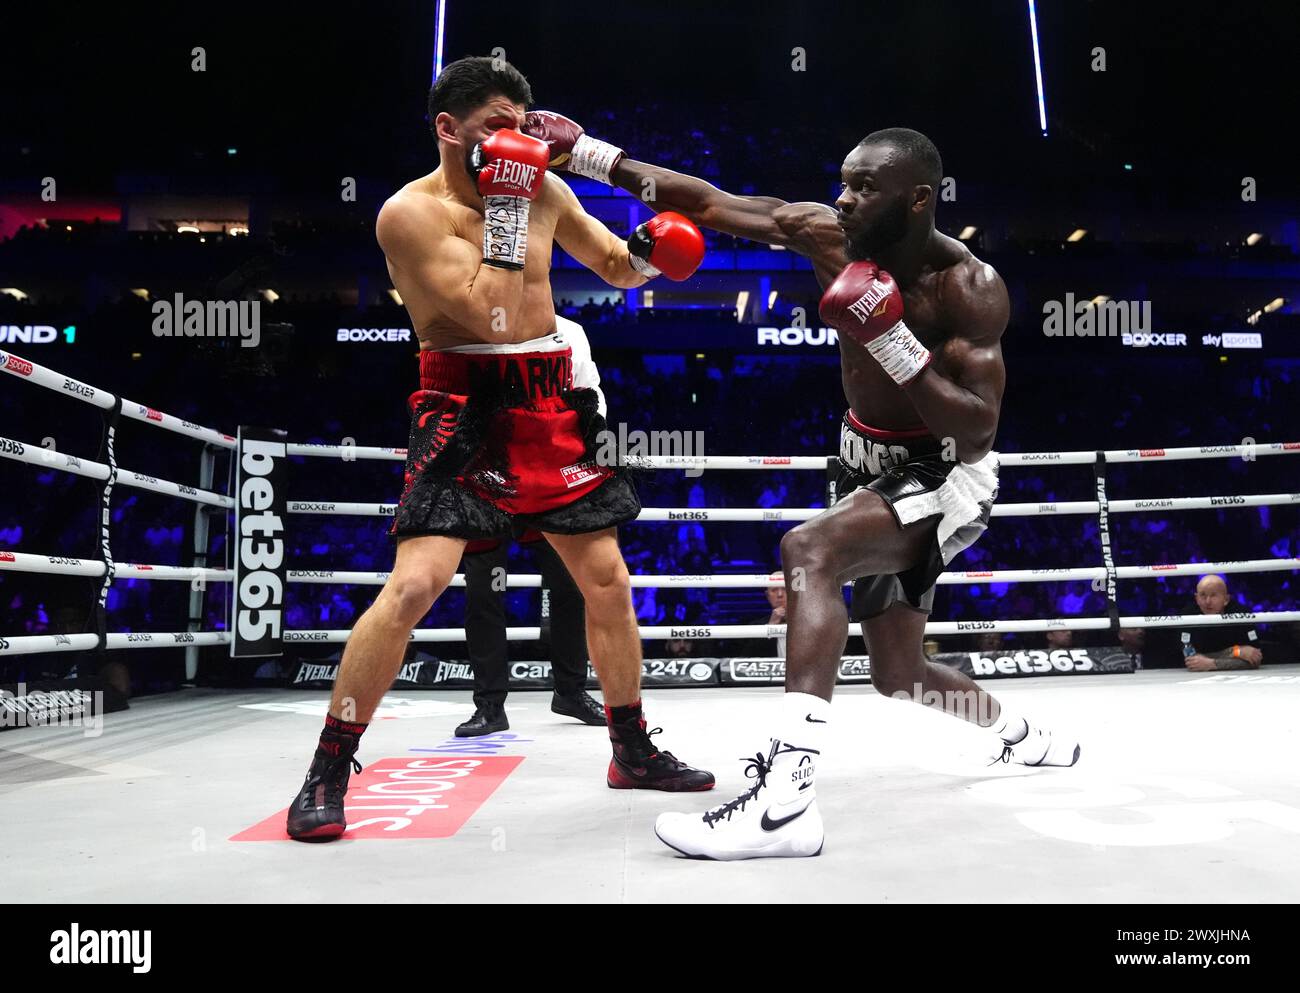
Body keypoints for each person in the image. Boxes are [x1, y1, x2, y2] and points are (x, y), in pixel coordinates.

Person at [525, 112, 1079, 860]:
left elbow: (974, 429)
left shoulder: (969, 288)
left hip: (946, 471)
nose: (843, 199)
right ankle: (1024, 736)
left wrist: (888, 335)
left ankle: (785, 805)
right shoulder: (828, 237)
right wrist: (587, 153)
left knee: (808, 551)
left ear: (919, 199)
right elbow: (711, 202)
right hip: (865, 461)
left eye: (864, 187)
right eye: (842, 184)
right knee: (899, 673)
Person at [285, 58, 714, 842]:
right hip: (463, 405)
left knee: (608, 578)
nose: (516, 138)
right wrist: (512, 206)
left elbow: (617, 268)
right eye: (496, 124)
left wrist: (660, 248)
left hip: (551, 399)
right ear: (448, 129)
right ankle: (327, 766)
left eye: (523, 123)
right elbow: (488, 313)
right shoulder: (407, 215)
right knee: (416, 583)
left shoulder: (545, 189)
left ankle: (630, 747)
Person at [1179, 574, 1263, 671]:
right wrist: (1235, 651)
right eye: (1203, 595)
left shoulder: (1241, 615)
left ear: (1226, 599)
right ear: (1196, 599)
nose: (1208, 601)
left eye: (1213, 595)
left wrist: (1212, 664)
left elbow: (1254, 658)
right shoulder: (1187, 616)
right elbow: (1192, 661)